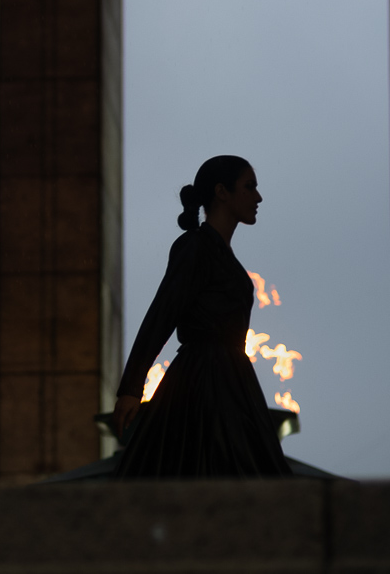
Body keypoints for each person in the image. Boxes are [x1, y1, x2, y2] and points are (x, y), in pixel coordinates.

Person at [111, 155, 293, 477]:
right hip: (204, 384)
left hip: (229, 381)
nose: (258, 197)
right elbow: (162, 312)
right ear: (222, 192)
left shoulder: (218, 255)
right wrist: (131, 387)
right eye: (249, 187)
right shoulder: (195, 248)